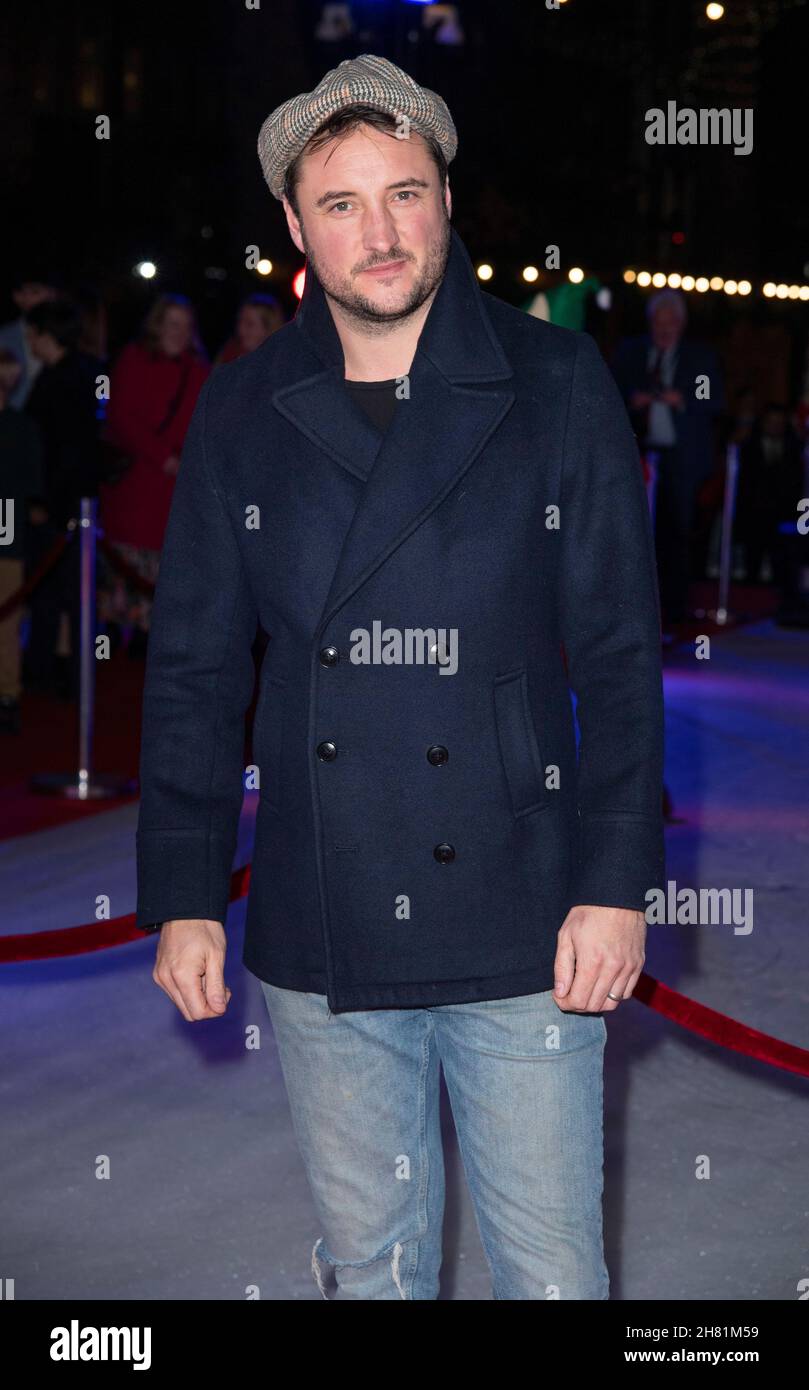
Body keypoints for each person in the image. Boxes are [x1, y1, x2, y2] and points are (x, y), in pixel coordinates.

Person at [135, 55, 665, 1300]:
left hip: (526, 914)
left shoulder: (552, 384)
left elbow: (619, 658)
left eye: (404, 194)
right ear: (293, 224)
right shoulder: (245, 404)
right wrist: (183, 889)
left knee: (548, 1271)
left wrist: (615, 881)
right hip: (327, 912)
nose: (378, 233)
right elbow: (197, 668)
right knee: (368, 1266)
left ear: (444, 199)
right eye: (341, 203)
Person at [97, 294, 209, 654]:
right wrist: (162, 457)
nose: (178, 332)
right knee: (122, 574)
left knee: (159, 582)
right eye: (172, 323)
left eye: (185, 325)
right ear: (157, 325)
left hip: (173, 493)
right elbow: (122, 418)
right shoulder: (134, 360)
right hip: (134, 487)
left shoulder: (198, 370)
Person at [612, 289, 725, 633]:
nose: (664, 332)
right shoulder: (630, 353)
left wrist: (683, 400)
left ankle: (673, 609)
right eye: (658, 325)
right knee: (632, 534)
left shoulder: (700, 358)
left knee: (676, 534)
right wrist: (635, 401)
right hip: (637, 457)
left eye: (670, 325)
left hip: (681, 460)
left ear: (681, 324)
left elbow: (714, 401)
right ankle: (628, 609)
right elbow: (608, 393)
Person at [23, 298, 102, 700]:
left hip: (62, 508)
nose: (27, 341)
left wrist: (45, 502)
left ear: (45, 335)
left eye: (32, 334)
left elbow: (66, 450)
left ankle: (65, 675)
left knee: (61, 595)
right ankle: (59, 672)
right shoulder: (74, 374)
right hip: (71, 503)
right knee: (59, 595)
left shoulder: (62, 380)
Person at [0, 348, 45, 731]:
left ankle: (8, 692)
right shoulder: (23, 427)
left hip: (6, 527)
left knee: (7, 618)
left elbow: (29, 487)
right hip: (10, 524)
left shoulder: (20, 428)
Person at [737, 403, 808, 623]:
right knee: (753, 562)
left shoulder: (795, 447)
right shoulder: (749, 446)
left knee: (785, 564)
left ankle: (785, 607)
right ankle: (748, 607)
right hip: (756, 514)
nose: (776, 427)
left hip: (786, 516)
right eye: (771, 422)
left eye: (780, 423)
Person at [0, 272, 62, 409]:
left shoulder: (67, 335)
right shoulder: (4, 337)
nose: (27, 299)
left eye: (35, 292)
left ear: (53, 295)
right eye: (22, 292)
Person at [214, 292, 285, 364]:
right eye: (240, 321)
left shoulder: (283, 362)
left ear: (270, 328)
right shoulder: (230, 354)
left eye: (249, 324)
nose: (241, 329)